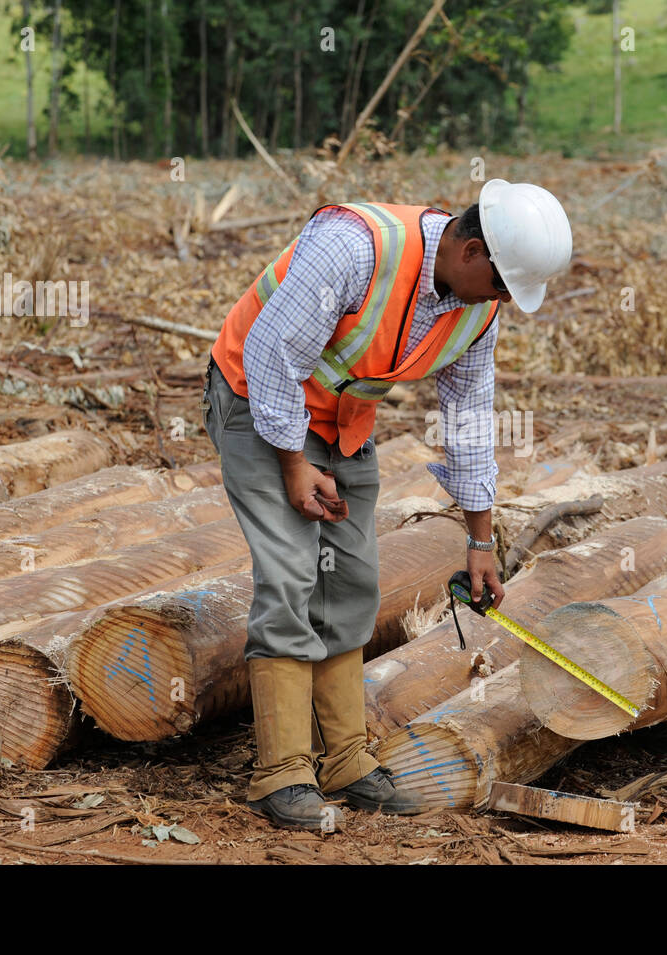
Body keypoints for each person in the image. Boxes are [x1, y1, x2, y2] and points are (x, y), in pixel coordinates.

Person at [202, 179, 572, 831]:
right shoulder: (353, 249)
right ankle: (281, 772)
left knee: (350, 582)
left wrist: (480, 540)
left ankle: (344, 760)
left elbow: (469, 420)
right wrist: (292, 463)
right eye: (504, 286)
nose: (505, 303)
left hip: (342, 420)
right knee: (292, 574)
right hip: (256, 401)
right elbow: (269, 353)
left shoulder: (476, 307)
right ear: (473, 253)